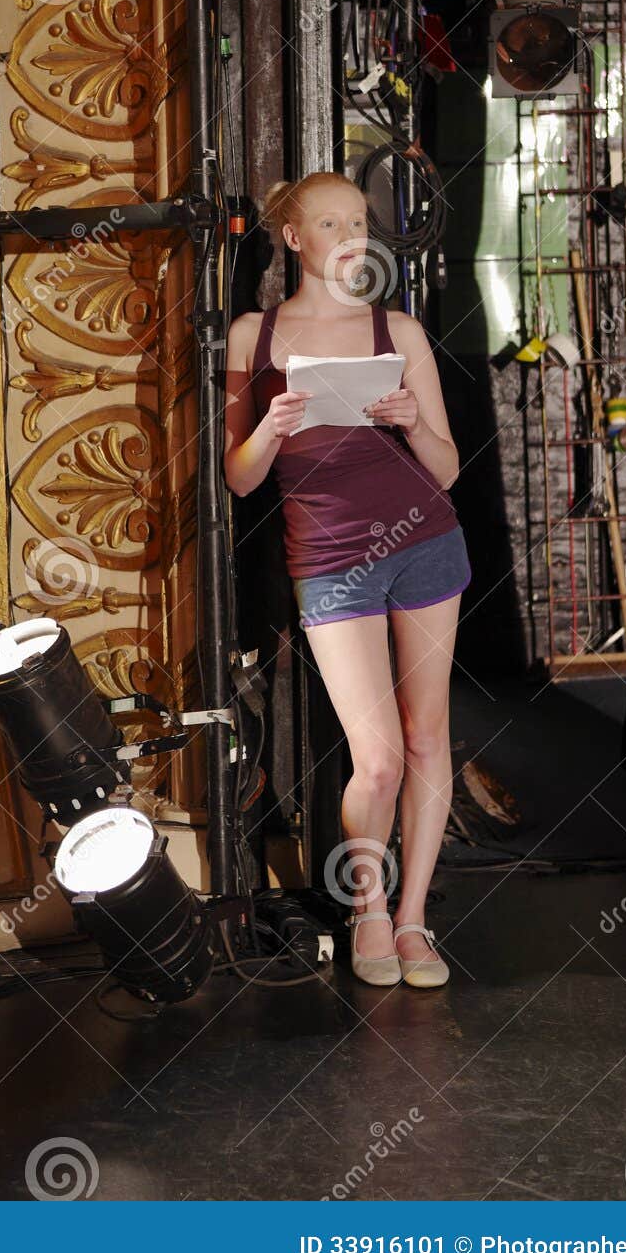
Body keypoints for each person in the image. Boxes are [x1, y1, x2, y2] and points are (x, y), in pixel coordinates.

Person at [224, 172, 470, 989]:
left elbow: (445, 468)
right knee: (378, 759)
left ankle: (411, 921)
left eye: (358, 222)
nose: (348, 235)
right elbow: (241, 479)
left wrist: (410, 422)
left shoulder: (395, 328)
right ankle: (367, 906)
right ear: (293, 239)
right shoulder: (252, 338)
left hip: (423, 541)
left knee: (427, 737)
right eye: (329, 223)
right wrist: (267, 425)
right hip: (329, 561)